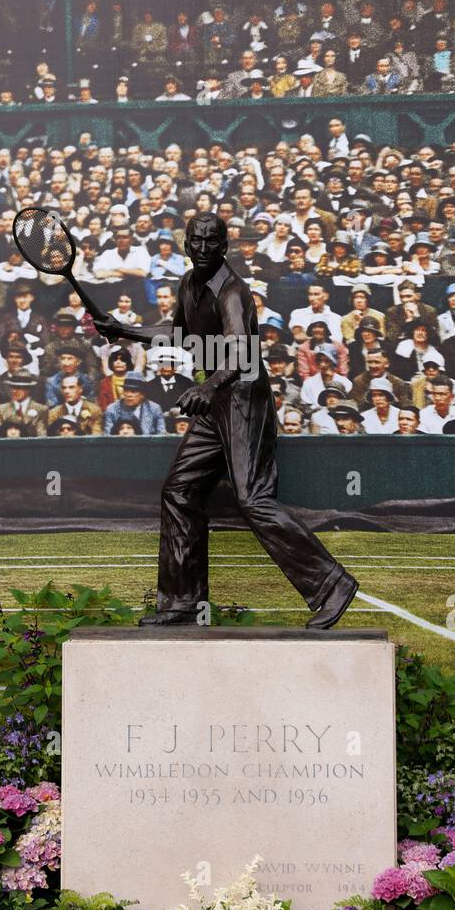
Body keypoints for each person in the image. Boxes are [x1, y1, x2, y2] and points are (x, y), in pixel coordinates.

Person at [93, 212, 358, 627]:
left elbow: (241, 353)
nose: (201, 249)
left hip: (242, 400)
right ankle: (181, 602)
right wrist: (124, 329)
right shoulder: (188, 283)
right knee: (179, 491)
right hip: (215, 401)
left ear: (224, 247)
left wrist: (206, 387)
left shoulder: (233, 292)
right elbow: (179, 333)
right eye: (194, 242)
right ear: (185, 244)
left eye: (209, 243)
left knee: (252, 498)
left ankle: (332, 584)